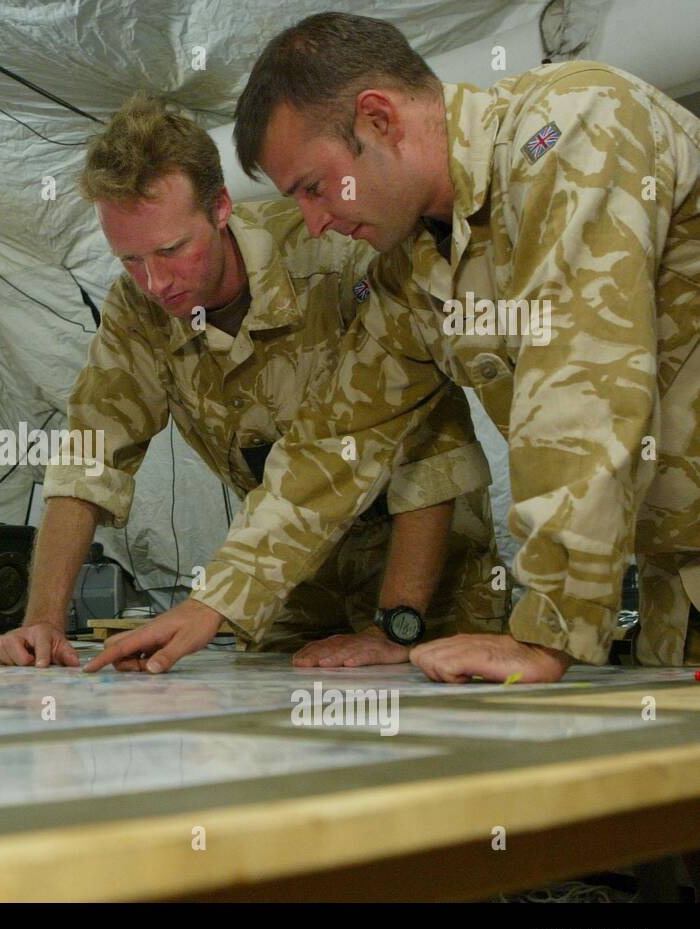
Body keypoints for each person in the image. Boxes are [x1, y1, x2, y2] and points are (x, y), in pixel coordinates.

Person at [93, 12, 699, 683]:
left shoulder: (568, 128)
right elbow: (334, 440)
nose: (314, 220)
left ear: (378, 120)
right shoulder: (413, 270)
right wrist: (216, 600)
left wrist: (547, 634)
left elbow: (583, 386)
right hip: (680, 597)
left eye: (313, 188)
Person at [0, 94, 505, 673]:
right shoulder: (139, 310)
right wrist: (43, 622)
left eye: (171, 250)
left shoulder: (339, 261)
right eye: (130, 259)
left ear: (221, 208)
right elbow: (89, 458)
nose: (155, 283)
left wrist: (395, 625)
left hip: (427, 583)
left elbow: (432, 447)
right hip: (289, 583)